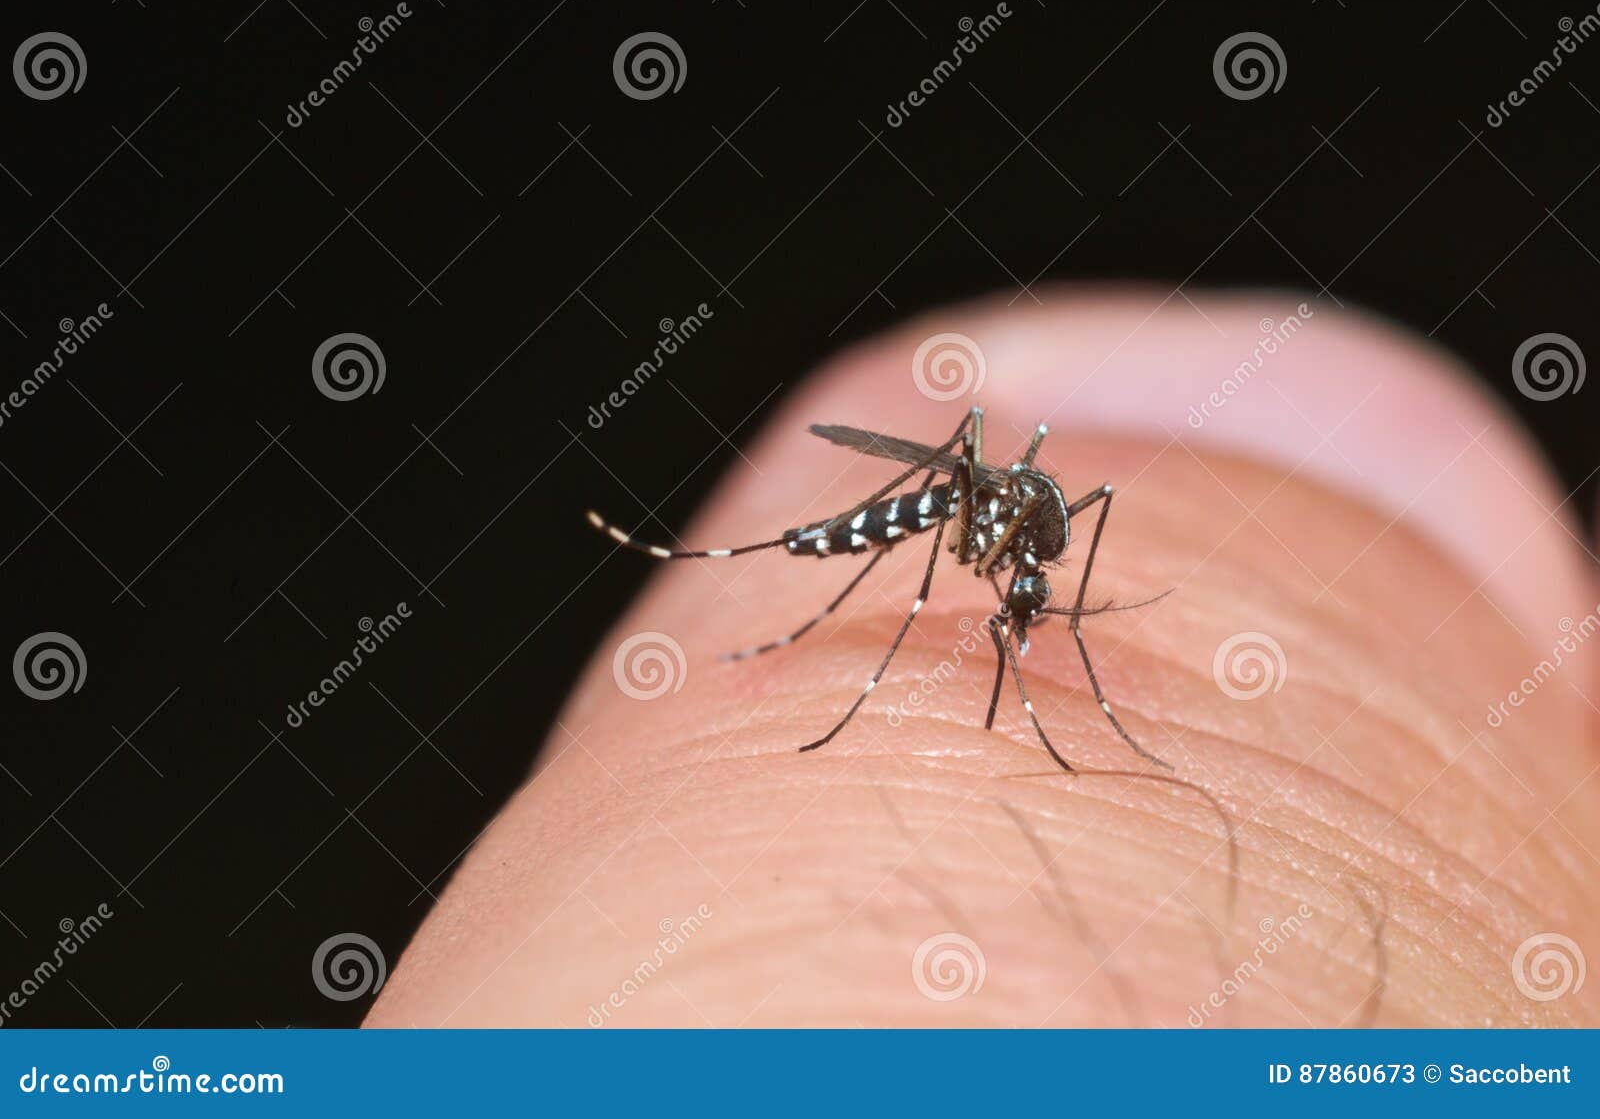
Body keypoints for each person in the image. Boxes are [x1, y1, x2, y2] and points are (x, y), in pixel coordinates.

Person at [366, 289, 1599, 1027]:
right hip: (928, 500)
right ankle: (800, 623)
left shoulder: (1045, 535)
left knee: (1009, 494)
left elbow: (1053, 522)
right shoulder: (1002, 523)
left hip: (981, 501)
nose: (1021, 606)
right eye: (1026, 595)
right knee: (916, 531)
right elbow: (979, 506)